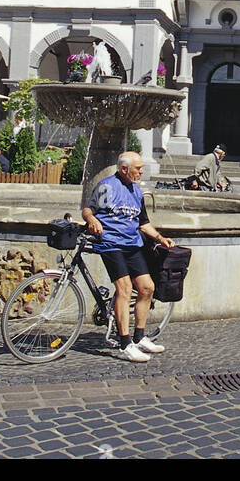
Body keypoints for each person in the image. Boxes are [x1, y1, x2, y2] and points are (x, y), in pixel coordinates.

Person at [81, 151, 175, 363]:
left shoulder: (137, 192)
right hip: (111, 244)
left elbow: (143, 223)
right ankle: (125, 344)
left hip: (132, 244)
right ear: (124, 169)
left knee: (147, 287)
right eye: (138, 168)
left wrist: (160, 238)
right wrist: (92, 220)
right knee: (124, 288)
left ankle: (139, 338)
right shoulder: (107, 186)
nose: (142, 171)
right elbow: (88, 209)